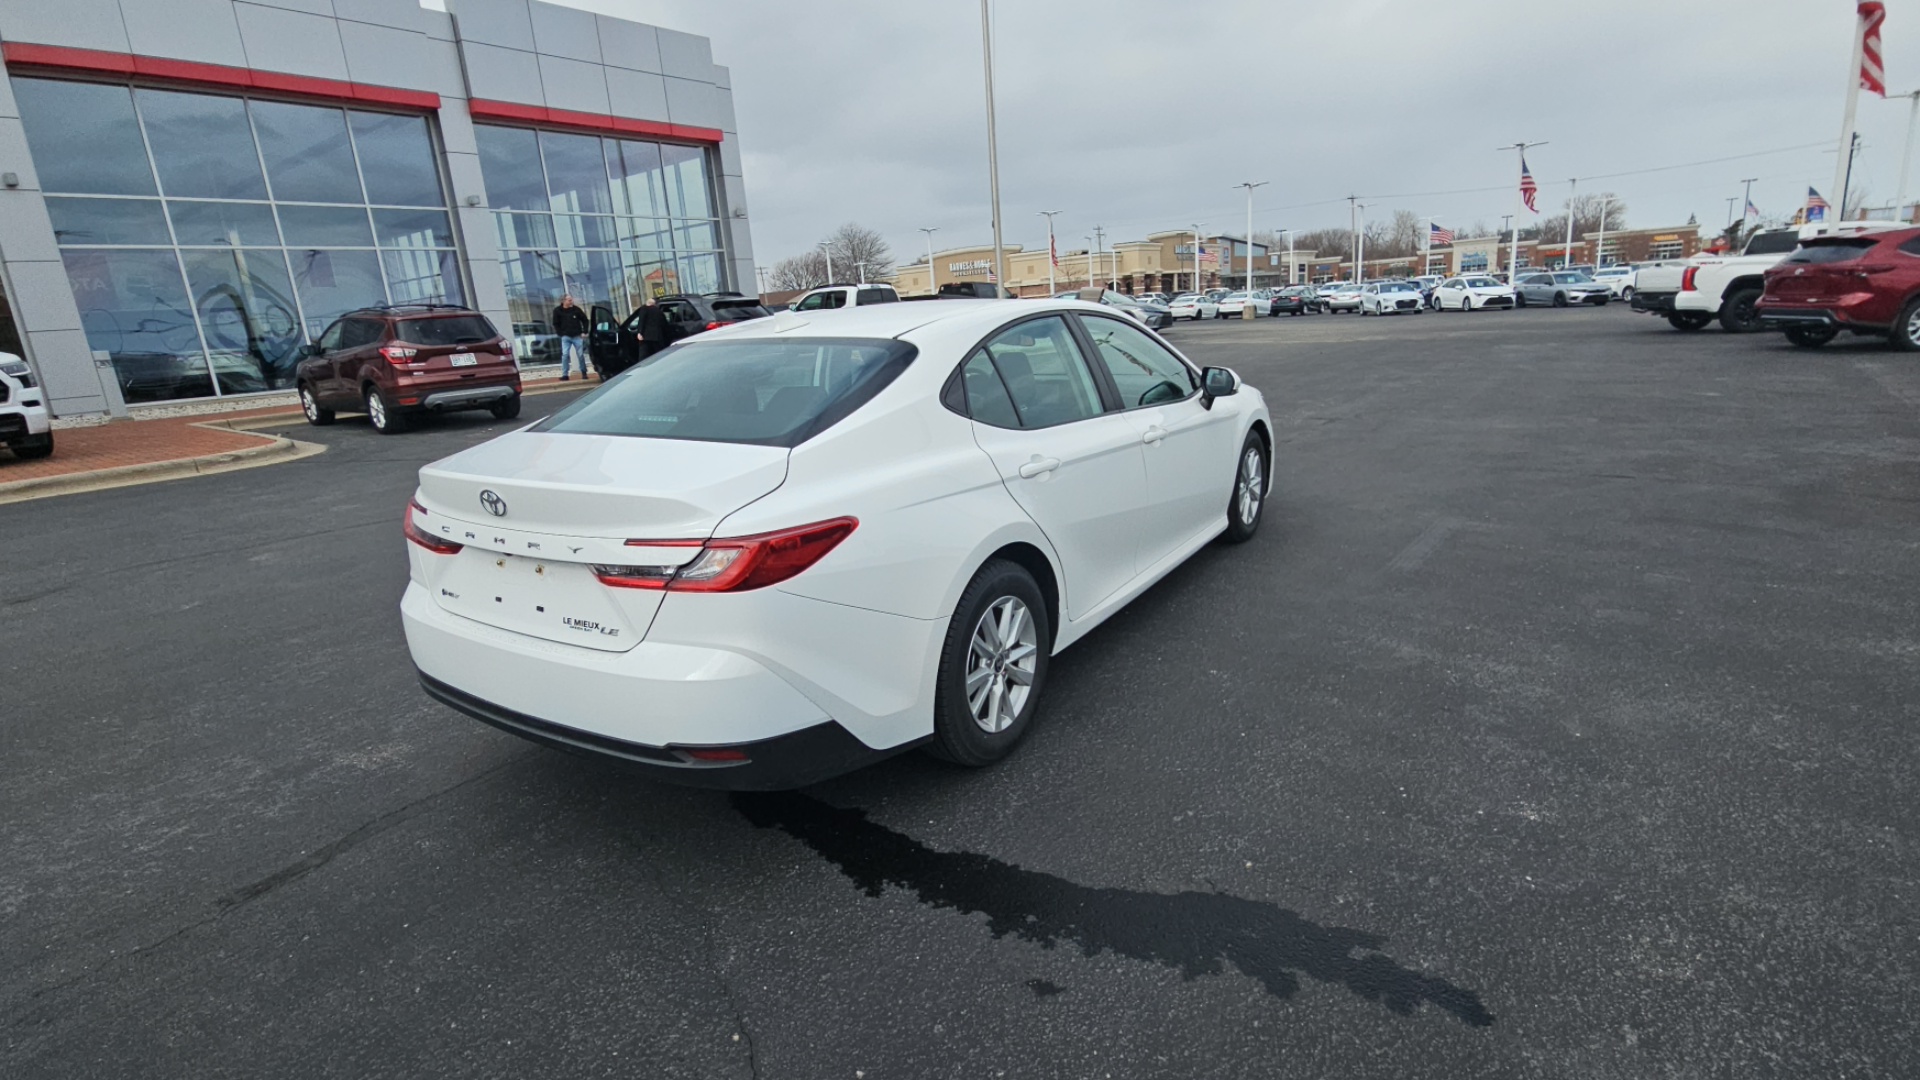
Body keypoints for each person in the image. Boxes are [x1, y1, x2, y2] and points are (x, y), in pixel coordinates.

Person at [550, 295, 590, 380]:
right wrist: (561, 333)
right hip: (565, 336)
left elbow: (585, 320)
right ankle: (565, 374)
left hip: (577, 336)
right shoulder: (557, 311)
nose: (571, 301)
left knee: (580, 354)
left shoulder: (576, 310)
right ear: (563, 301)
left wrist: (584, 331)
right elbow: (555, 323)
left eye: (571, 300)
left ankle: (584, 372)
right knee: (565, 355)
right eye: (569, 300)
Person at [636, 295, 670, 362]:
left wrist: (640, 333)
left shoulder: (644, 309)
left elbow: (641, 321)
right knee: (658, 355)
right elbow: (665, 325)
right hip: (657, 337)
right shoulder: (659, 312)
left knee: (644, 357)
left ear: (647, 303)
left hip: (646, 337)